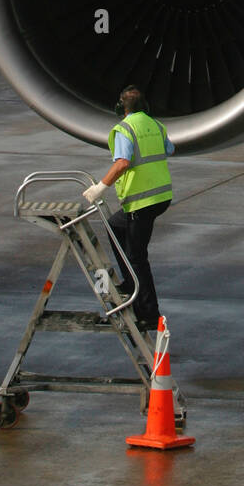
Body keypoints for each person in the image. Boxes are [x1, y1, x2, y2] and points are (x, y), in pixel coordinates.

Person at [82, 85, 174, 332]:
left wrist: (101, 187)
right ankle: (130, 283)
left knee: (137, 256)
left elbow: (122, 162)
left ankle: (149, 312)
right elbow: (169, 149)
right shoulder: (155, 125)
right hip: (160, 196)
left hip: (141, 201)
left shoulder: (124, 129)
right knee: (115, 226)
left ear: (121, 108)